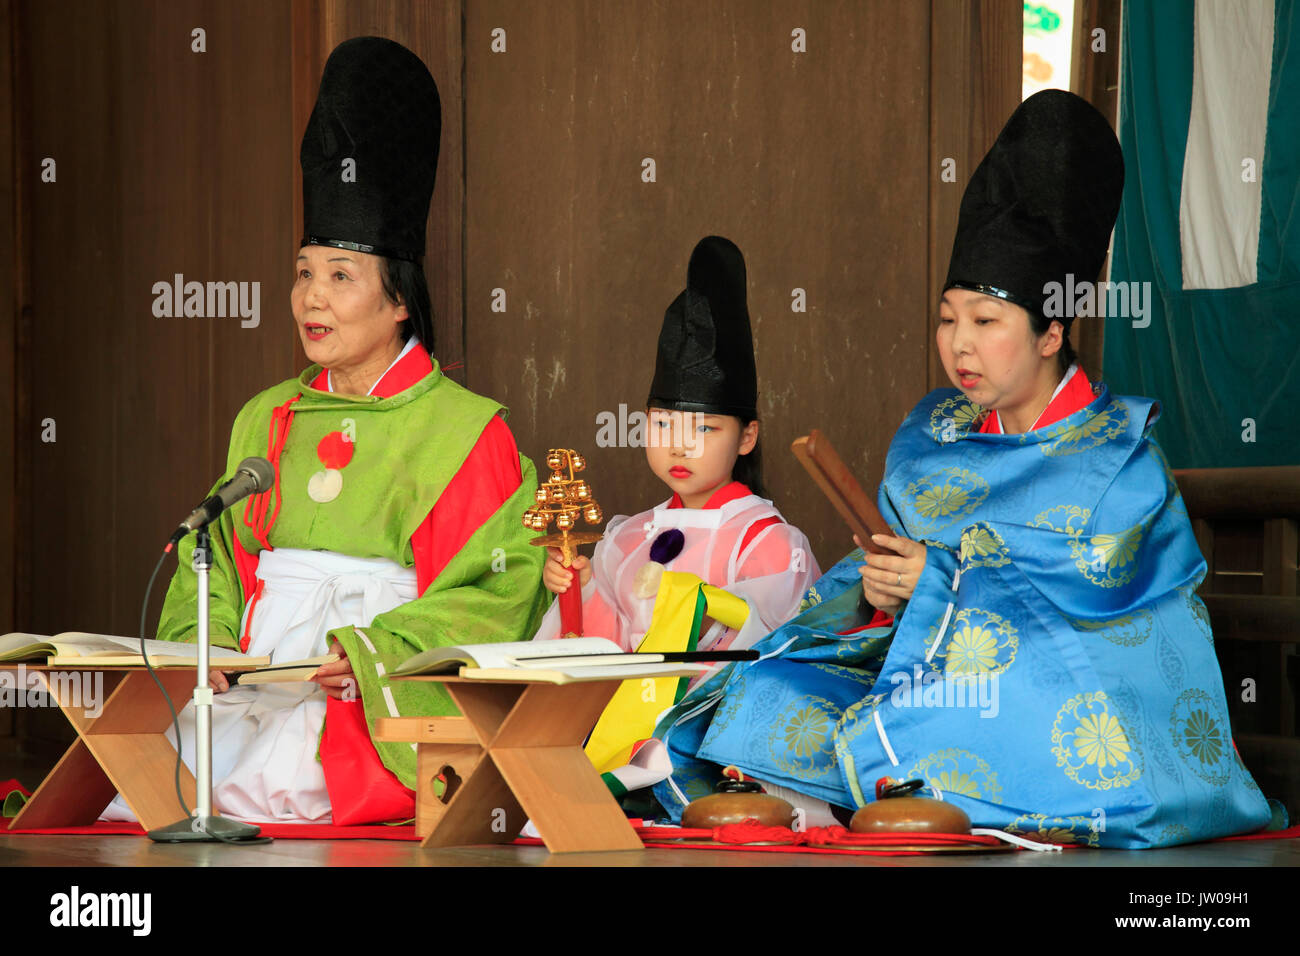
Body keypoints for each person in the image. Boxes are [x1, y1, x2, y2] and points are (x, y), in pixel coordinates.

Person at [649, 91, 1274, 848]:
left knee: (985, 707)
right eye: (948, 318)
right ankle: (867, 792)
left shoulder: (1117, 456)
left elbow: (1100, 623)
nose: (959, 345)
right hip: (921, 672)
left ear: (1051, 333)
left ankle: (867, 791)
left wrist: (942, 586)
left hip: (1076, 691)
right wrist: (881, 590)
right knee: (763, 688)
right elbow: (882, 584)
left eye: (986, 321)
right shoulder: (935, 435)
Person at [103, 37, 547, 825]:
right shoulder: (264, 416)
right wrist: (204, 652)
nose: (313, 298)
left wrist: (371, 652)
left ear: (400, 298)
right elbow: (217, 567)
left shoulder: (470, 433)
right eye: (305, 272)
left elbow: (498, 595)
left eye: (342, 277)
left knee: (263, 792)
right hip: (251, 692)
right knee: (153, 782)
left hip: (361, 702)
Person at [532, 237, 820, 796]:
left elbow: (774, 655)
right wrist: (578, 590)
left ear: (747, 436)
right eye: (663, 425)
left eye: (705, 429)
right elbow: (600, 646)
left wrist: (688, 608)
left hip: (709, 731)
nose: (679, 446)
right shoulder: (628, 536)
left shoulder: (766, 541)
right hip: (621, 725)